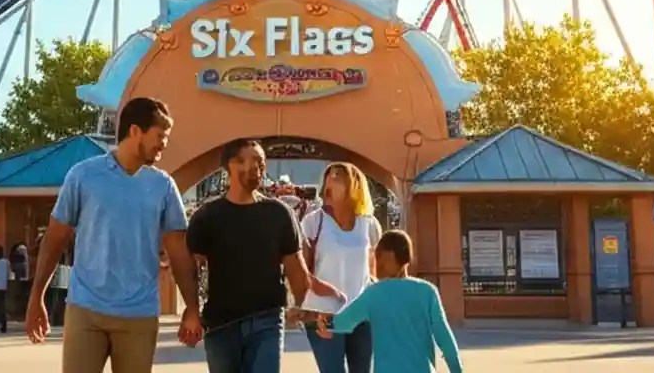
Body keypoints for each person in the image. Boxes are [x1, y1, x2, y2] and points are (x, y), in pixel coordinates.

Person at [25, 96, 203, 373]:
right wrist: (36, 297)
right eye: (160, 135)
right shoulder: (83, 176)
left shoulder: (163, 186)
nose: (164, 143)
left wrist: (192, 308)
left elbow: (178, 251)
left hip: (139, 314)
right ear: (135, 131)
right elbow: (55, 238)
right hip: (86, 309)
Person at [187, 139, 344, 373]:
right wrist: (191, 312)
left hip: (267, 321)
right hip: (221, 324)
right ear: (232, 165)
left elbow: (297, 273)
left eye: (262, 163)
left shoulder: (279, 213)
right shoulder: (207, 215)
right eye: (254, 162)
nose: (260, 169)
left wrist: (314, 310)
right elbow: (191, 267)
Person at [317, 231, 463, 373]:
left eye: (377, 256)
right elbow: (444, 337)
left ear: (387, 257)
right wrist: (456, 370)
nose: (375, 263)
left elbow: (345, 321)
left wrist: (325, 322)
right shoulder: (427, 292)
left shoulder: (374, 294)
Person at [300, 162, 382, 373]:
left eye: (338, 175)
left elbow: (373, 272)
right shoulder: (313, 222)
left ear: (353, 184)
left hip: (362, 315)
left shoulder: (369, 224)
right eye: (329, 175)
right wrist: (314, 312)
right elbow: (302, 272)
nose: (330, 179)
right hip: (325, 314)